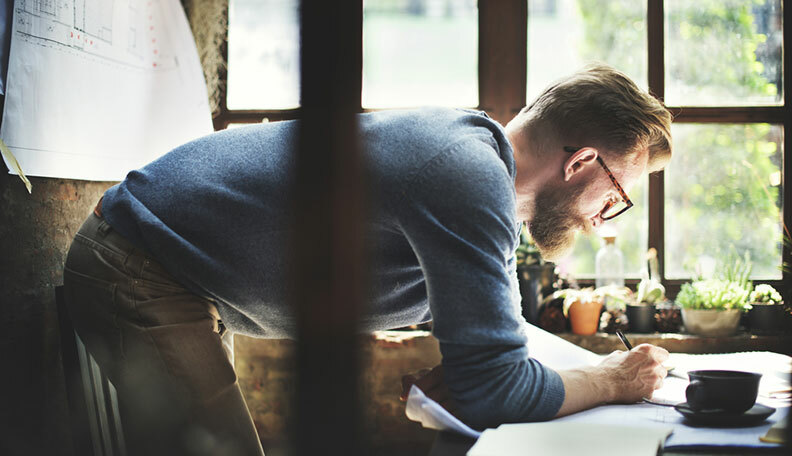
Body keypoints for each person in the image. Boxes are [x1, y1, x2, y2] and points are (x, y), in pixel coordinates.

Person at [63, 63, 672, 455]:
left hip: (175, 271)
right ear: (581, 162)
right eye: (616, 197)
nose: (602, 219)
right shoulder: (468, 176)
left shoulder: (479, 174)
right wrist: (612, 379)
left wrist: (478, 372)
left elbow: (489, 358)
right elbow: (496, 387)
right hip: (138, 262)